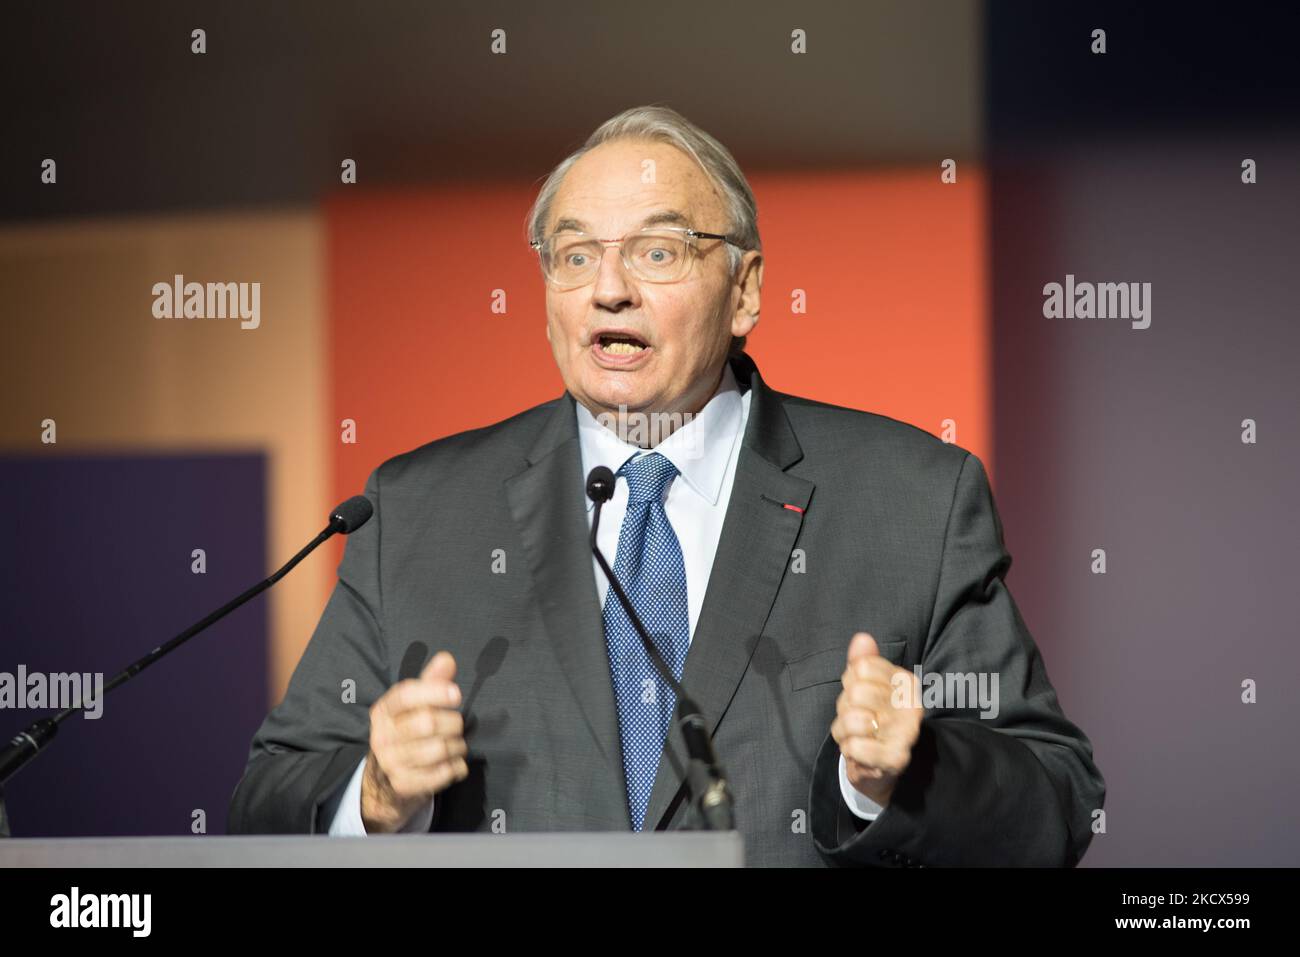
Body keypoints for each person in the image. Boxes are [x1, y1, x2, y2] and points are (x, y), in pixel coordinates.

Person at [228, 105, 1104, 866]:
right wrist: (375, 799)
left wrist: (896, 778)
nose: (608, 289)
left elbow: (1059, 801)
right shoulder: (419, 509)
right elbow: (267, 802)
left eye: (656, 250)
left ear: (746, 289)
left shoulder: (912, 498)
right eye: (573, 256)